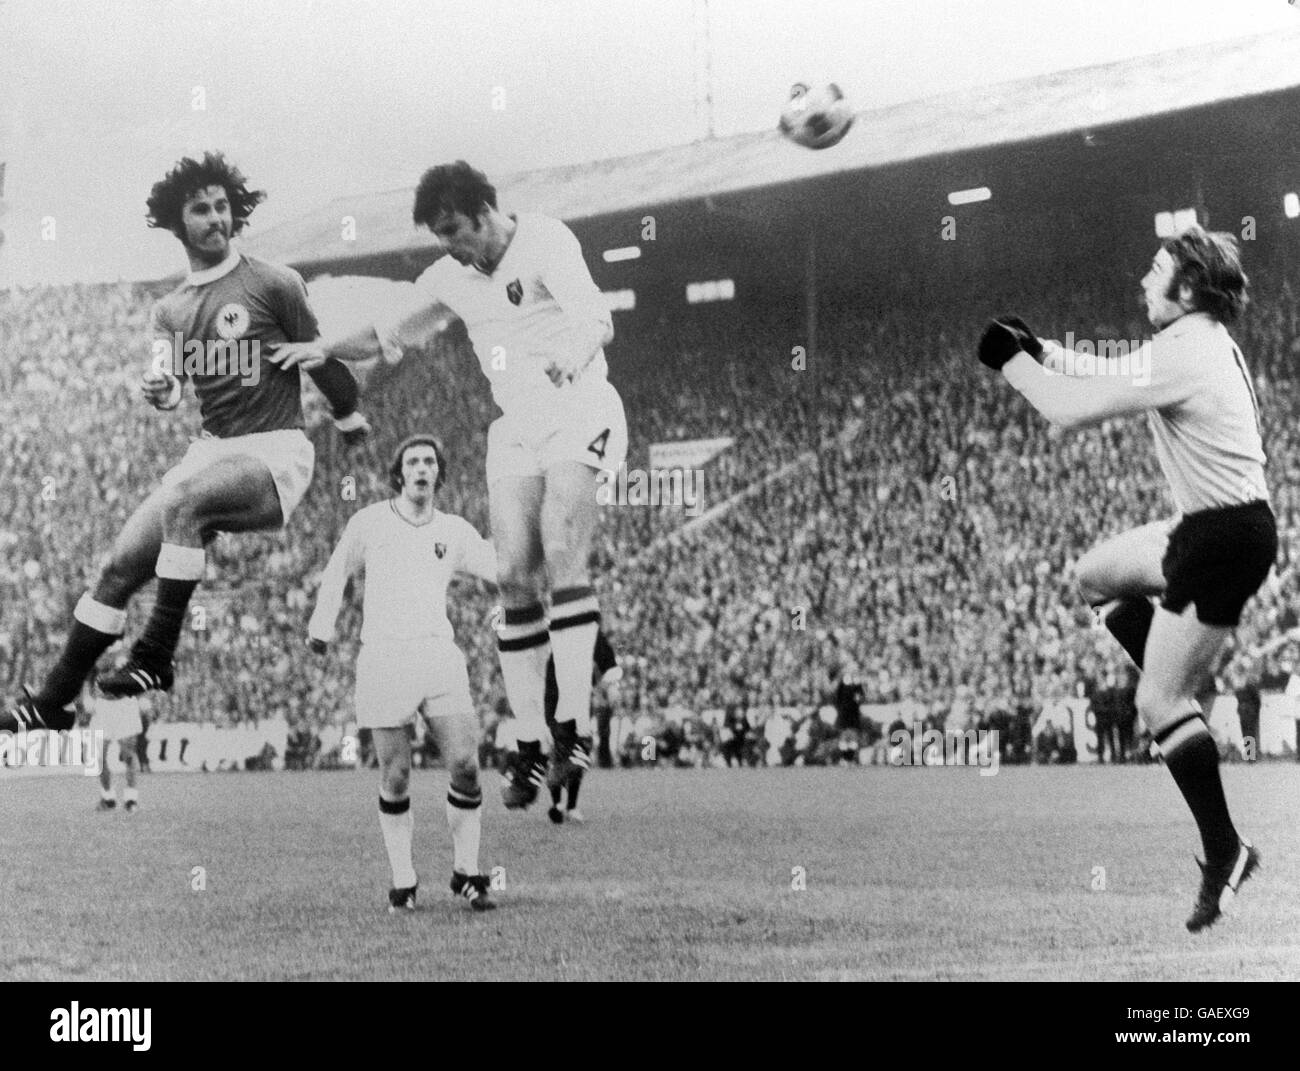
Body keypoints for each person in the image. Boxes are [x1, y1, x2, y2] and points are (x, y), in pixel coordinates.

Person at [276, 161, 627, 811]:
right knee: (513, 574)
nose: (450, 245)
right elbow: (388, 335)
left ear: (486, 213)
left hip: (581, 406)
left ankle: (571, 726)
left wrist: (570, 357)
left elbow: (595, 319)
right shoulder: (449, 277)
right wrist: (320, 351)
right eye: (440, 235)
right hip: (517, 426)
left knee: (559, 546)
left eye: (455, 231)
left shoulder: (546, 240)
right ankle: (528, 739)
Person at [2, 151, 370, 733]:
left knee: (184, 503)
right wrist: (161, 388)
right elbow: (168, 386)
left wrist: (350, 415)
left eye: (223, 206)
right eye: (201, 209)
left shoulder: (275, 283)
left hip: (275, 449)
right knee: (117, 567)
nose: (216, 218)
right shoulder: (170, 310)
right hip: (211, 450)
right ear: (178, 223)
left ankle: (155, 655)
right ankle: (55, 700)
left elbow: (320, 360)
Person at [978, 224, 1274, 932]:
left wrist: (1010, 365)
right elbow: (1109, 373)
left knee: (1155, 700)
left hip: (1222, 535)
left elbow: (1069, 409)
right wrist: (1042, 349)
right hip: (1209, 526)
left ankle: (1225, 846)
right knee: (1094, 577)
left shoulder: (1191, 347)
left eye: (1157, 268)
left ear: (1188, 287)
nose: (1145, 279)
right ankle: (1178, 708)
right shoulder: (1189, 341)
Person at [308, 435, 498, 912]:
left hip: (438, 654)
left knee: (466, 764)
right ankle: (404, 880)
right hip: (384, 658)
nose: (421, 468)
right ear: (399, 472)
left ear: (438, 473)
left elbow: (499, 567)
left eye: (429, 461)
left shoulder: (453, 530)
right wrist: (321, 626)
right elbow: (337, 571)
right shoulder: (369, 521)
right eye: (412, 461)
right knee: (395, 774)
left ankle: (467, 872)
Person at [544, 629, 620, 824]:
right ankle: (560, 805)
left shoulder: (582, 640)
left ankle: (569, 805)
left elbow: (597, 662)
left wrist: (606, 684)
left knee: (579, 750)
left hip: (577, 704)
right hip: (558, 705)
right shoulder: (556, 655)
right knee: (561, 752)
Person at [86, 687, 143, 813]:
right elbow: (85, 674)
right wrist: (86, 695)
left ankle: (131, 799)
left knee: (128, 754)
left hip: (125, 704)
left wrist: (141, 697)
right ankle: (108, 798)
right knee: (99, 756)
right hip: (103, 705)